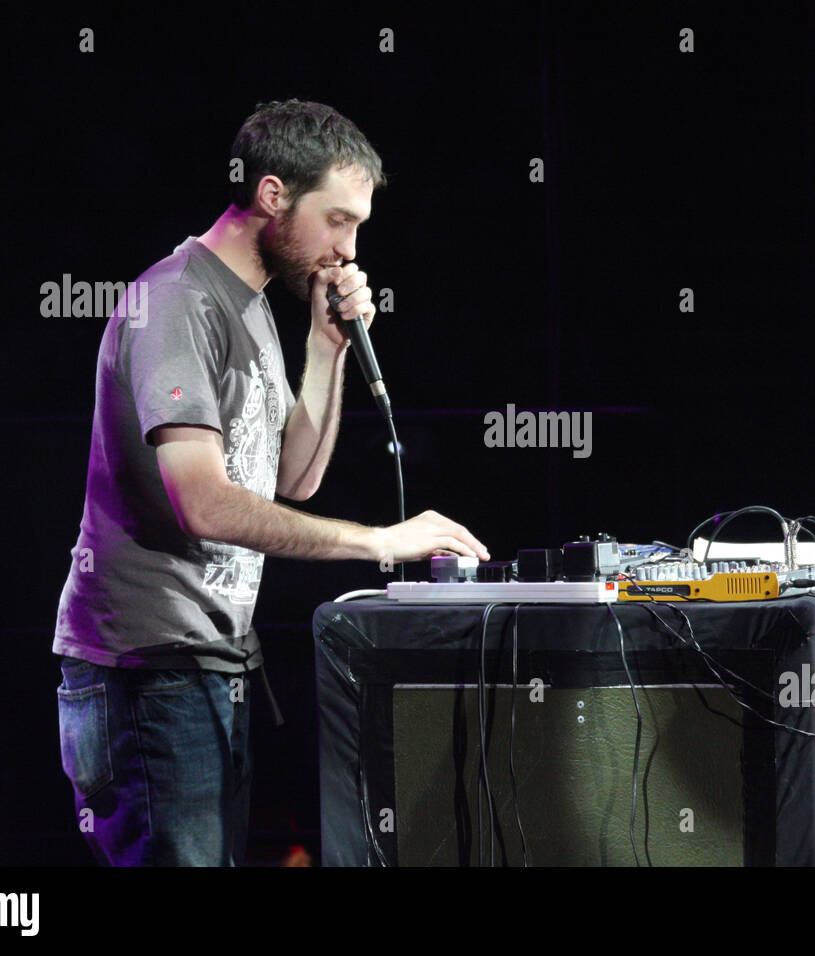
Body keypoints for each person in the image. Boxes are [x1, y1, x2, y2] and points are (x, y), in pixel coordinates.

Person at [52, 99, 489, 866]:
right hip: (148, 674)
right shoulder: (179, 301)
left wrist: (328, 347)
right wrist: (381, 540)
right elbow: (205, 501)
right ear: (274, 195)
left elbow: (293, 477)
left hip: (210, 667)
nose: (349, 250)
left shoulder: (251, 307)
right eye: (339, 220)